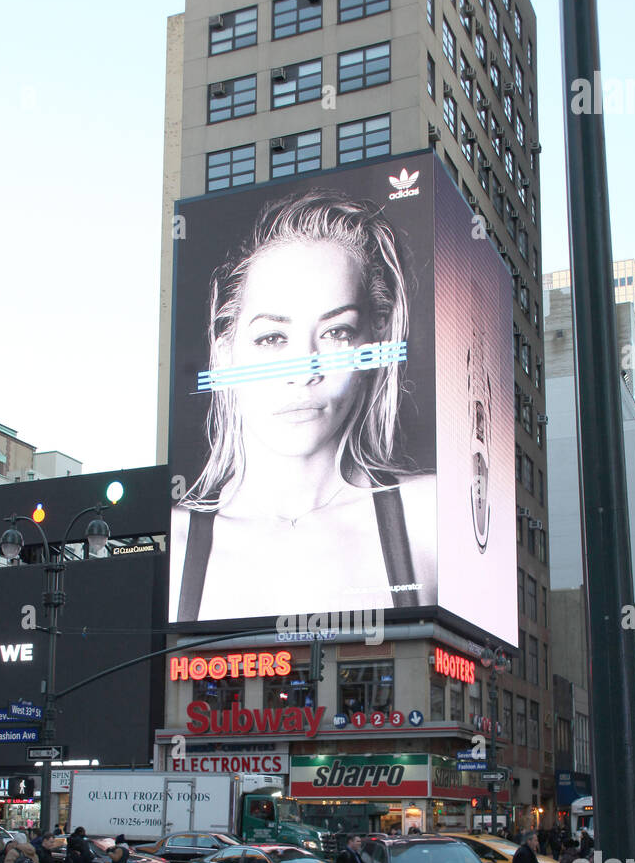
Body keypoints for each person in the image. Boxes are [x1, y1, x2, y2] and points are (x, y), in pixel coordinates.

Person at [169, 192, 438, 622]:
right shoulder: (173, 546)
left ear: (375, 345)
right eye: (272, 338)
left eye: (336, 333)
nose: (304, 370)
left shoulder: (430, 520)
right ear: (224, 353)